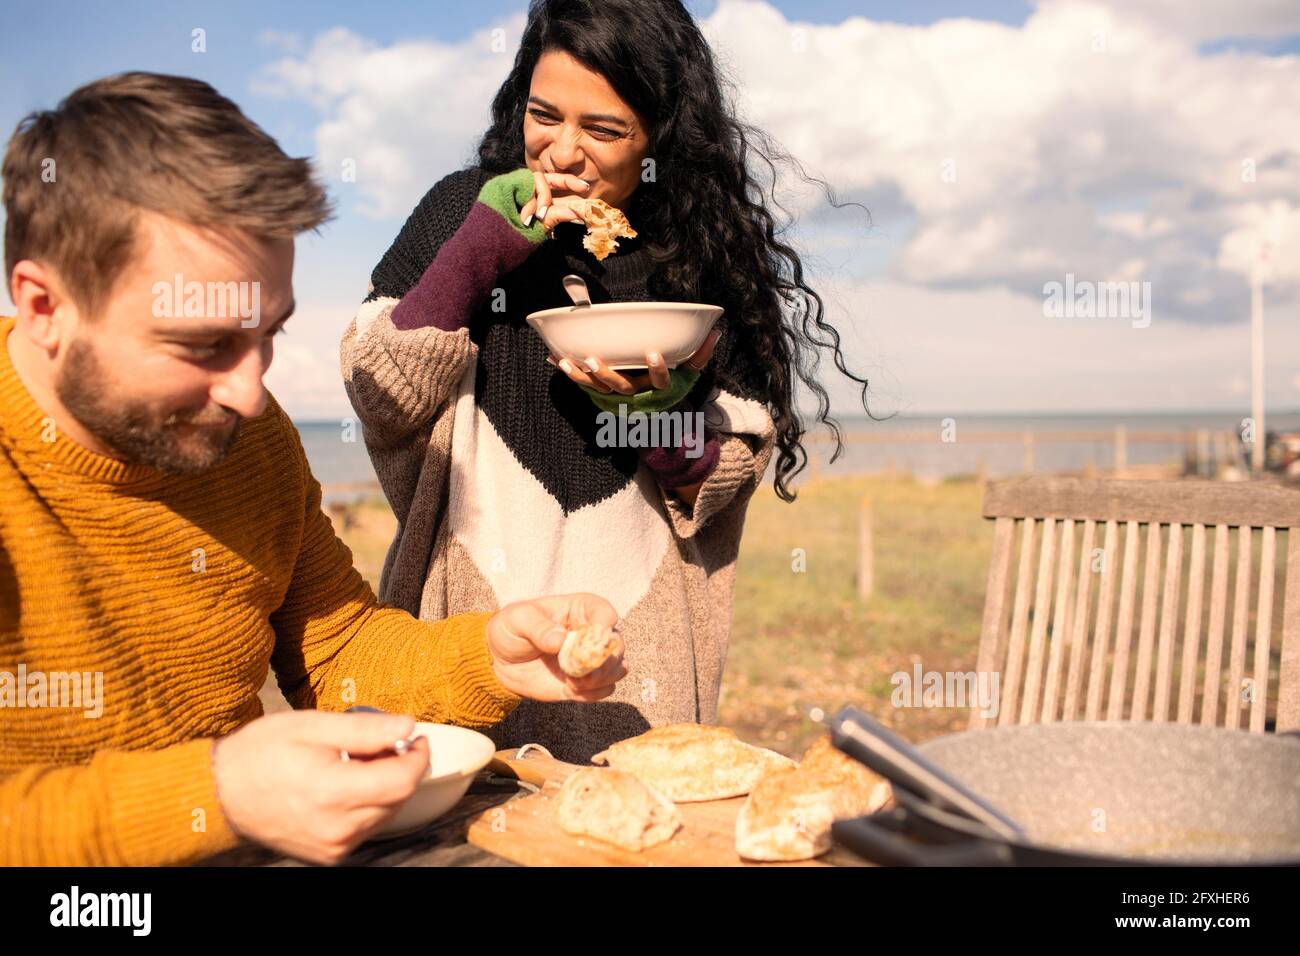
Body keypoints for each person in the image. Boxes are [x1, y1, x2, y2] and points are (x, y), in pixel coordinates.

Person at [0, 71, 625, 867]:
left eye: (269, 335)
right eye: (203, 345)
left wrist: (488, 658)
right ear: (45, 307)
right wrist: (215, 794)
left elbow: (336, 653)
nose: (250, 394)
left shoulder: (252, 440)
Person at [340, 0, 870, 762]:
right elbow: (381, 394)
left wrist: (658, 423)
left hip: (636, 642)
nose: (562, 152)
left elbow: (730, 466)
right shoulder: (464, 210)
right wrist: (479, 252)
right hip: (465, 625)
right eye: (544, 116)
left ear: (660, 134)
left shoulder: (700, 247)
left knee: (635, 807)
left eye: (604, 130)